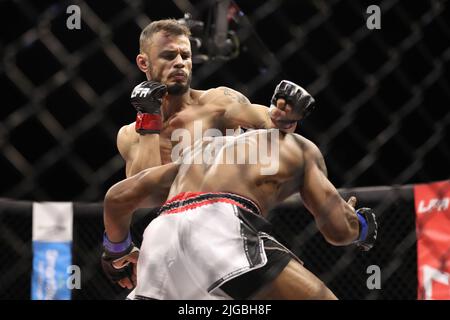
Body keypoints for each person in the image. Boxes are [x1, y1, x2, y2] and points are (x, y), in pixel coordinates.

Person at [101, 85, 378, 299]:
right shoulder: (301, 149)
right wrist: (363, 225)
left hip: (160, 236)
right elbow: (339, 230)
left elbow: (117, 197)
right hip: (219, 226)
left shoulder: (197, 156)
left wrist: (118, 253)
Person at [117, 19, 312, 177]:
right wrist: (150, 118)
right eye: (169, 56)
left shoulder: (219, 102)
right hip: (169, 219)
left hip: (227, 213)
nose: (179, 63)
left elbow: (272, 124)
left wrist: (286, 116)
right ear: (144, 63)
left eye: (185, 56)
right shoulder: (130, 135)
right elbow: (142, 194)